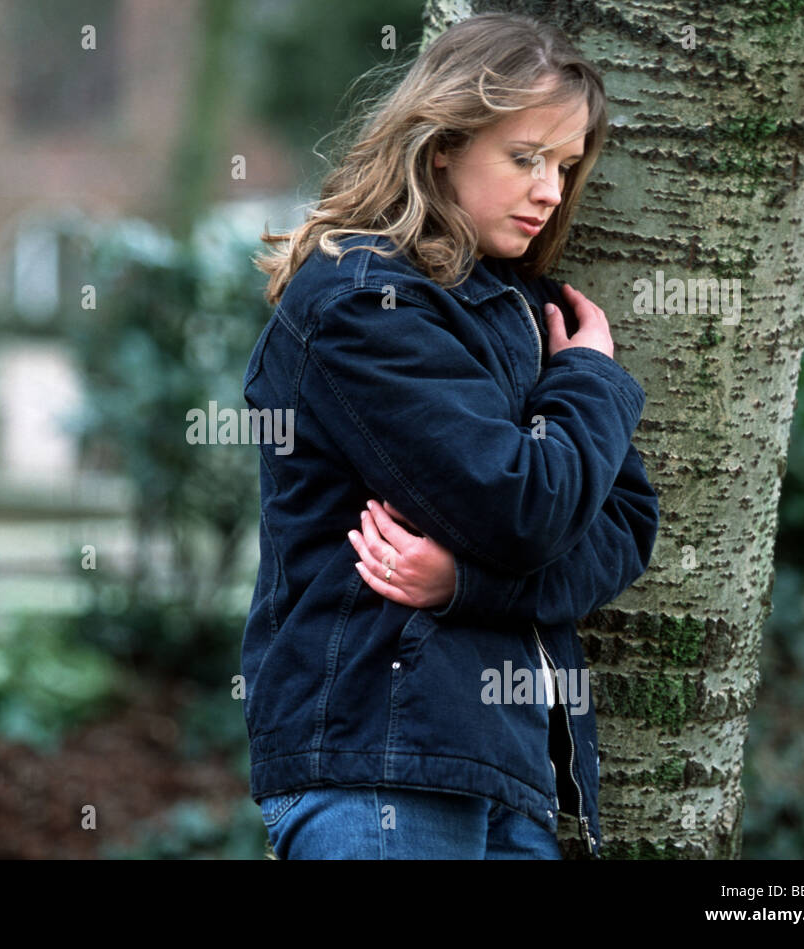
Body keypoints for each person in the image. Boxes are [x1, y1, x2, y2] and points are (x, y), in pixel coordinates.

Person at [242, 12, 660, 859]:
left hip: (511, 773)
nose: (550, 190)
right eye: (525, 158)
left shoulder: (522, 311)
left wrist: (466, 582)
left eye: (566, 166)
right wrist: (590, 376)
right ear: (442, 145)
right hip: (379, 766)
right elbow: (524, 507)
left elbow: (623, 524)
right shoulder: (361, 299)